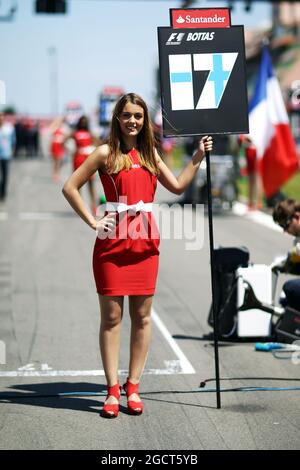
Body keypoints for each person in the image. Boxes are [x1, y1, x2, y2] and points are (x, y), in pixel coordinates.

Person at [62, 93, 213, 418]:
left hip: (145, 244)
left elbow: (177, 187)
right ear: (118, 118)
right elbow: (70, 186)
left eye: (139, 116)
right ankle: (112, 391)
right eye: (127, 115)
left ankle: (133, 386)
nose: (133, 121)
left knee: (142, 318)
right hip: (112, 245)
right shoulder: (105, 152)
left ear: (145, 121)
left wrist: (198, 156)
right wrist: (93, 220)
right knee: (112, 319)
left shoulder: (150, 154)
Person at [66, 115, 99, 214]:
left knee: (91, 184)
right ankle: (79, 207)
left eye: (85, 121)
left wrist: (92, 149)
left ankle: (93, 205)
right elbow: (64, 140)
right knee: (77, 184)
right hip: (78, 158)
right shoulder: (74, 133)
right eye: (82, 121)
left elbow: (98, 142)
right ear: (79, 122)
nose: (83, 123)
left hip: (88, 159)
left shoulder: (90, 133)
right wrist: (70, 149)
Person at [273, 198, 300, 310]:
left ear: (297, 217)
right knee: (285, 301)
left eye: (286, 225)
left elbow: (298, 252)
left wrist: (287, 261)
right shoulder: (297, 239)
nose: (285, 231)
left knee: (290, 288)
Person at [238, 135, 263, 210]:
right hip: (251, 151)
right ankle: (253, 202)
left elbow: (243, 140)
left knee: (255, 179)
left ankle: (256, 202)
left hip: (252, 151)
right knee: (253, 180)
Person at [0, 112, 16, 201]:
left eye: (2, 117)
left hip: (5, 155)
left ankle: (3, 194)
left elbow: (13, 141)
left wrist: (12, 152)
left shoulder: (9, 128)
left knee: (5, 176)